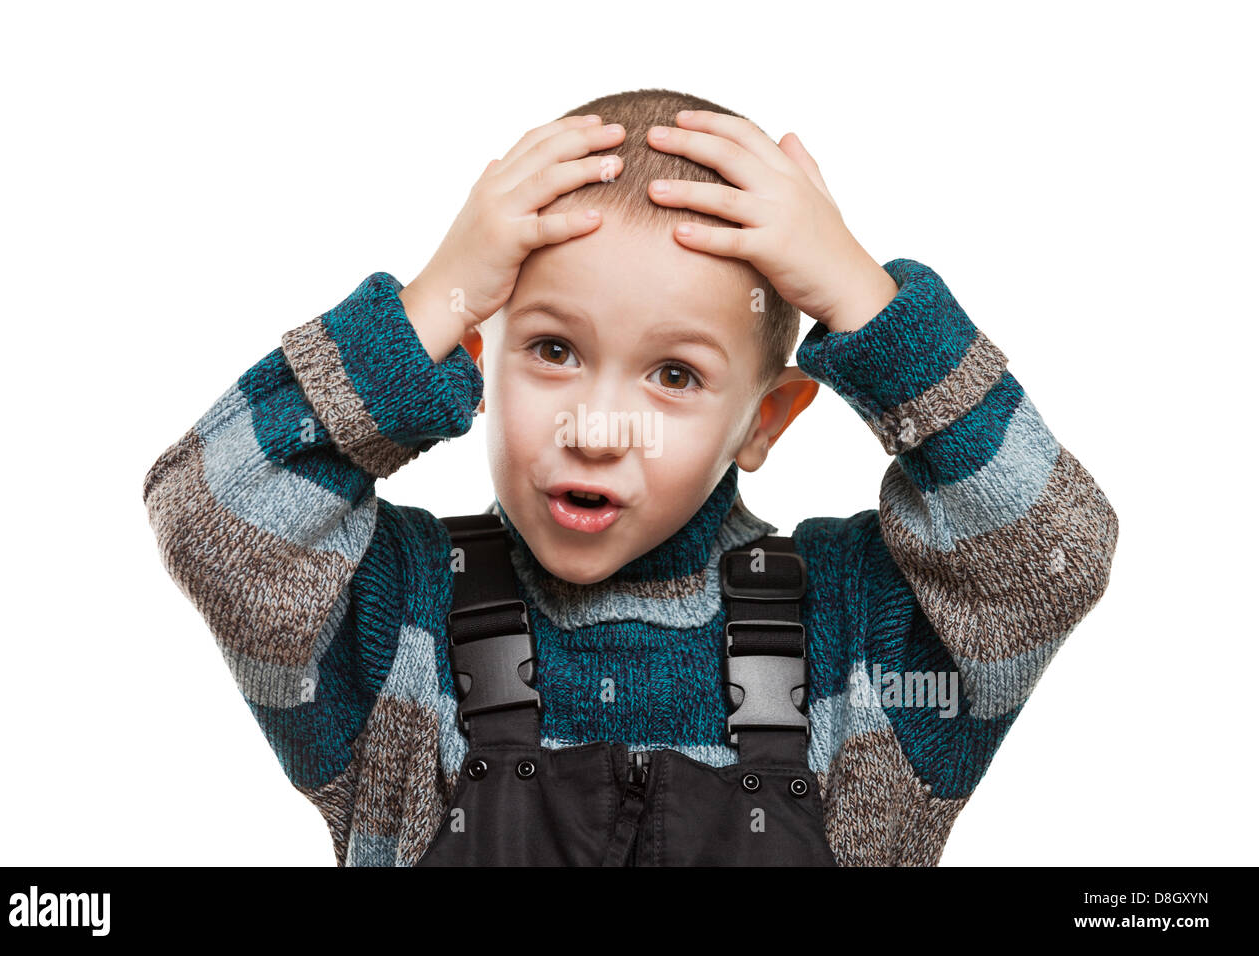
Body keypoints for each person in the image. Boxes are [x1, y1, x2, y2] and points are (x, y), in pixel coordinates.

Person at [142, 87, 1119, 866]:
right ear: (482, 356)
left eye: (675, 374)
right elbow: (206, 512)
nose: (594, 428)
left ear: (764, 420)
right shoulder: (397, 620)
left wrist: (868, 302)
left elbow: (1053, 554)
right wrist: (427, 302)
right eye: (555, 348)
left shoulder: (859, 637)